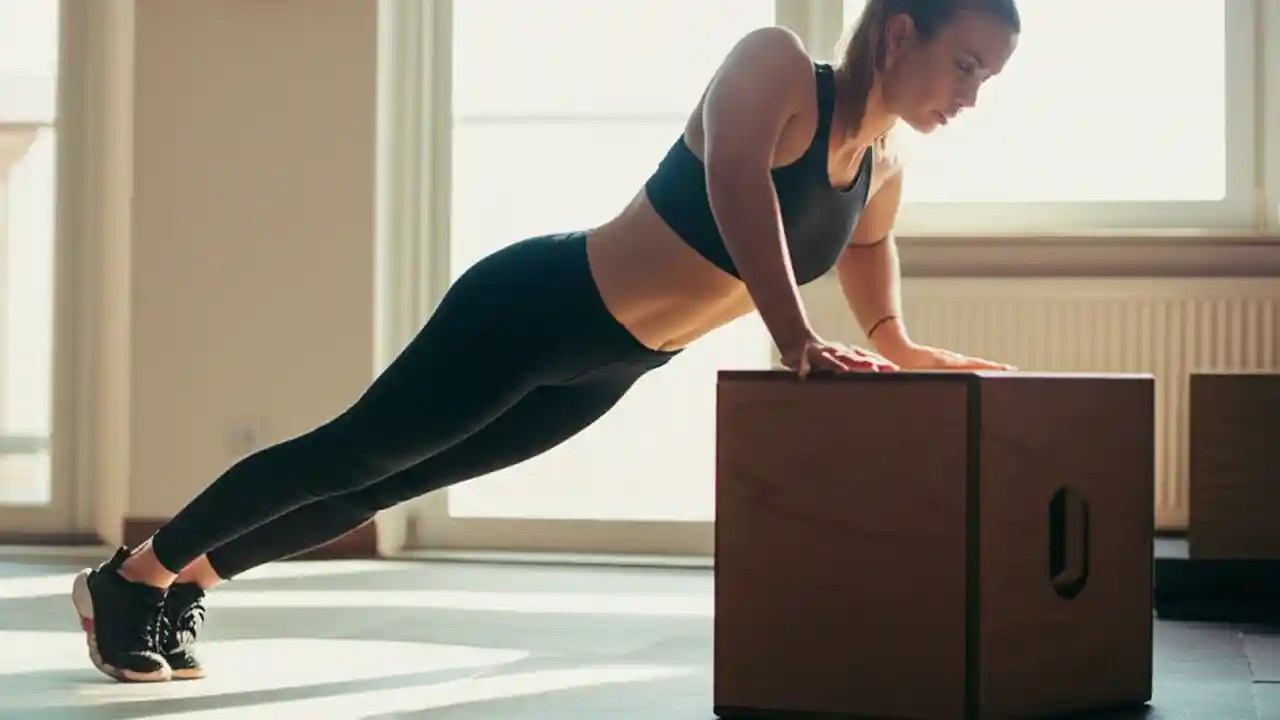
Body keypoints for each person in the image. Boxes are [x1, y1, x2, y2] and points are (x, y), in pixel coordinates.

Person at [71, 0, 1020, 682]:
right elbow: (739, 186)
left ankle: (182, 578)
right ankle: (128, 579)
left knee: (391, 482)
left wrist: (913, 350)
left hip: (612, 366)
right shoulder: (774, 65)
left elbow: (878, 284)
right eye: (967, 65)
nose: (971, 97)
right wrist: (794, 335)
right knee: (352, 453)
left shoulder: (884, 168)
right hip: (537, 307)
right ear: (901, 31)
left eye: (989, 79)